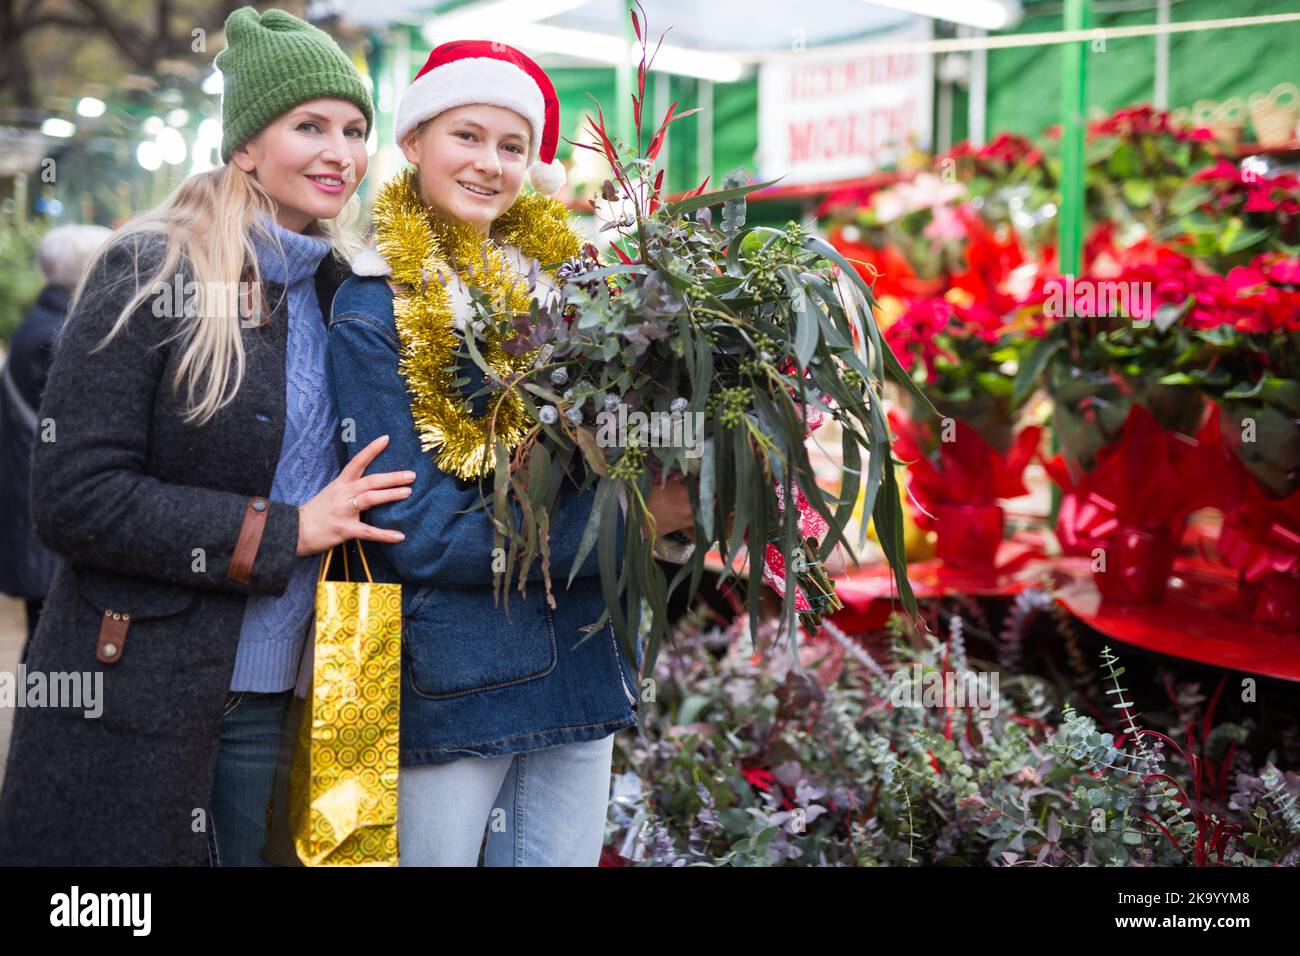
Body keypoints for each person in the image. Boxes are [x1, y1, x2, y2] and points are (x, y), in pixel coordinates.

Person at [0, 6, 414, 866]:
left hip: (316, 691)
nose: (341, 151)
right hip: (154, 689)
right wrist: (286, 530)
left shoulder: (351, 293)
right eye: (310, 125)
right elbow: (74, 497)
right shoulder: (151, 268)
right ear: (245, 146)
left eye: (354, 128)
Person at [326, 40, 694, 866]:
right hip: (460, 681)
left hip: (583, 668)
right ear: (415, 142)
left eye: (512, 146)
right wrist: (627, 525)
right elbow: (411, 526)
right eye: (467, 136)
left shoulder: (580, 300)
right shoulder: (374, 305)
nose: (490, 163)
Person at [0, 224, 111, 658]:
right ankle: (36, 722)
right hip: (43, 507)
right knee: (51, 636)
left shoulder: (44, 320)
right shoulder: (59, 332)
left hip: (30, 500)